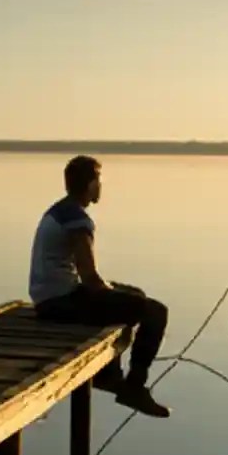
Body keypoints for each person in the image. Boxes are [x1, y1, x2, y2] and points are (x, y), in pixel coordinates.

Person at [29, 155, 171, 418]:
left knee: (134, 296)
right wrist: (111, 293)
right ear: (90, 184)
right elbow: (90, 278)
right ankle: (134, 387)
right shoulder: (77, 220)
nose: (101, 186)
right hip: (60, 303)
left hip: (47, 298)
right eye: (99, 180)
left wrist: (118, 294)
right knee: (155, 311)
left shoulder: (59, 210)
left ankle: (110, 375)